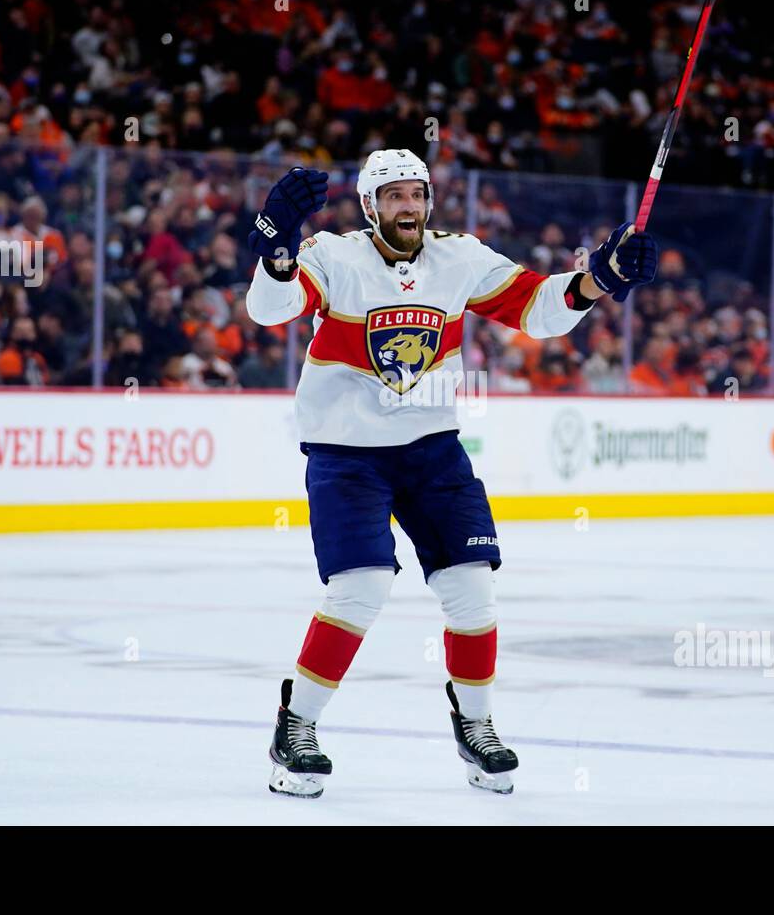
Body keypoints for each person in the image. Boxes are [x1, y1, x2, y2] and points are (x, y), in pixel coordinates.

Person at [245, 152, 658, 797]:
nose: (409, 206)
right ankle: (295, 725)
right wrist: (276, 249)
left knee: (472, 588)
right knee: (361, 588)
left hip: (432, 450)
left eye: (418, 194)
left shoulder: (459, 257)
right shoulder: (332, 256)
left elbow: (538, 309)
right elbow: (271, 310)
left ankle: (479, 726)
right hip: (346, 451)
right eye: (394, 196)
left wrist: (597, 278)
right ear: (369, 206)